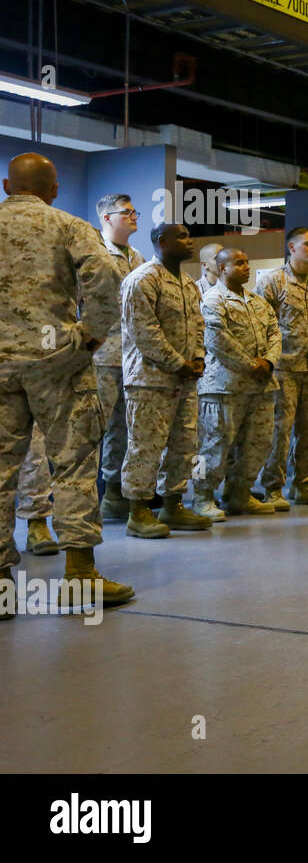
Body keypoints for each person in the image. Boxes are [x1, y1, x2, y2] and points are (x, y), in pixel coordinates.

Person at [0, 152, 129, 618]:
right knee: (73, 465)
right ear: (53, 189)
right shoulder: (71, 226)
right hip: (58, 361)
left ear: (5, 184)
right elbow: (105, 276)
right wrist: (90, 336)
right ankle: (78, 577)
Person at [120, 222, 211, 537]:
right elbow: (145, 333)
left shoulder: (188, 283)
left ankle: (174, 504)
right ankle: (139, 511)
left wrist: (197, 358)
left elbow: (199, 325)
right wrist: (179, 363)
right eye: (182, 236)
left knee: (184, 445)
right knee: (145, 447)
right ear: (162, 241)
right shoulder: (142, 280)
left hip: (185, 380)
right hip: (150, 380)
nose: (190, 241)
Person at [195, 248, 280, 518]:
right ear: (222, 269)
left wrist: (268, 361)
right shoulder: (212, 299)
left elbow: (275, 333)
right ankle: (202, 497)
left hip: (261, 386)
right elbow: (216, 339)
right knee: (213, 444)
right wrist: (249, 363)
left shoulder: (258, 302)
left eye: (247, 262)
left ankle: (240, 494)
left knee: (257, 443)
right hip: (223, 386)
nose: (246, 267)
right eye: (239, 263)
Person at [256, 227, 308, 508]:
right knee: (280, 431)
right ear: (292, 247)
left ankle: (304, 484)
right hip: (283, 368)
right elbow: (261, 325)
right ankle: (273, 488)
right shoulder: (272, 281)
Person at [93, 193, 146, 520]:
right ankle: (83, 501)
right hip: (100, 357)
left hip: (132, 359)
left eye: (134, 211)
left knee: (125, 429)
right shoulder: (95, 254)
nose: (133, 216)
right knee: (93, 429)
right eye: (125, 212)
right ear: (107, 218)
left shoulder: (137, 256)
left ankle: (115, 495)